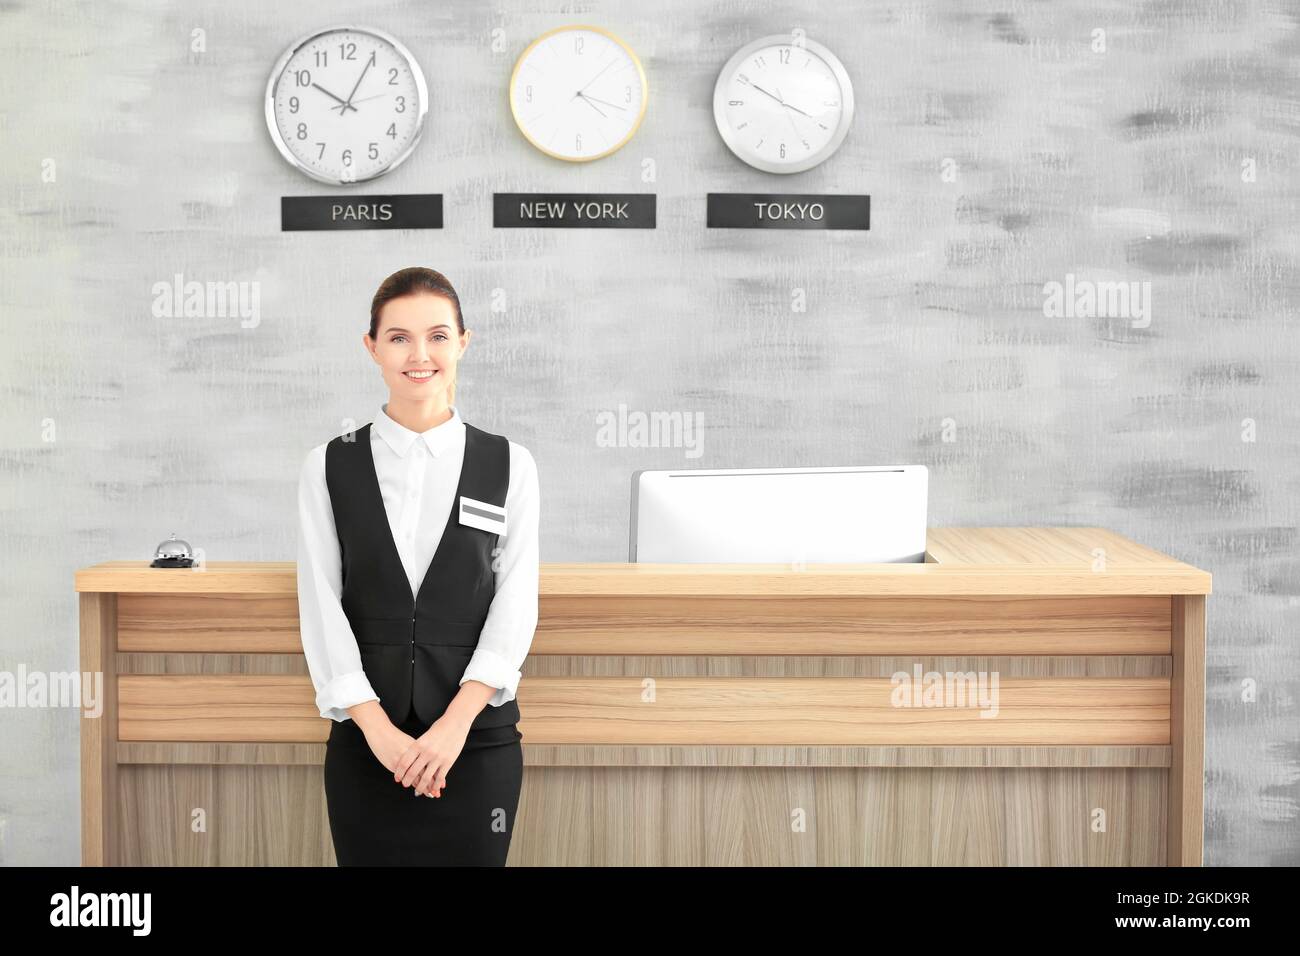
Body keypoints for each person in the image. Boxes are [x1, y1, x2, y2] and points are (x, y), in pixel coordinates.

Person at [296, 266, 540, 865]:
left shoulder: (511, 463)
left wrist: (453, 727)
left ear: (463, 342)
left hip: (474, 742)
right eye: (399, 337)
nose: (419, 354)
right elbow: (321, 604)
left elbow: (516, 601)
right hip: (367, 744)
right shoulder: (328, 465)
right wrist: (379, 733)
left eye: (437, 335)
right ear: (371, 346)